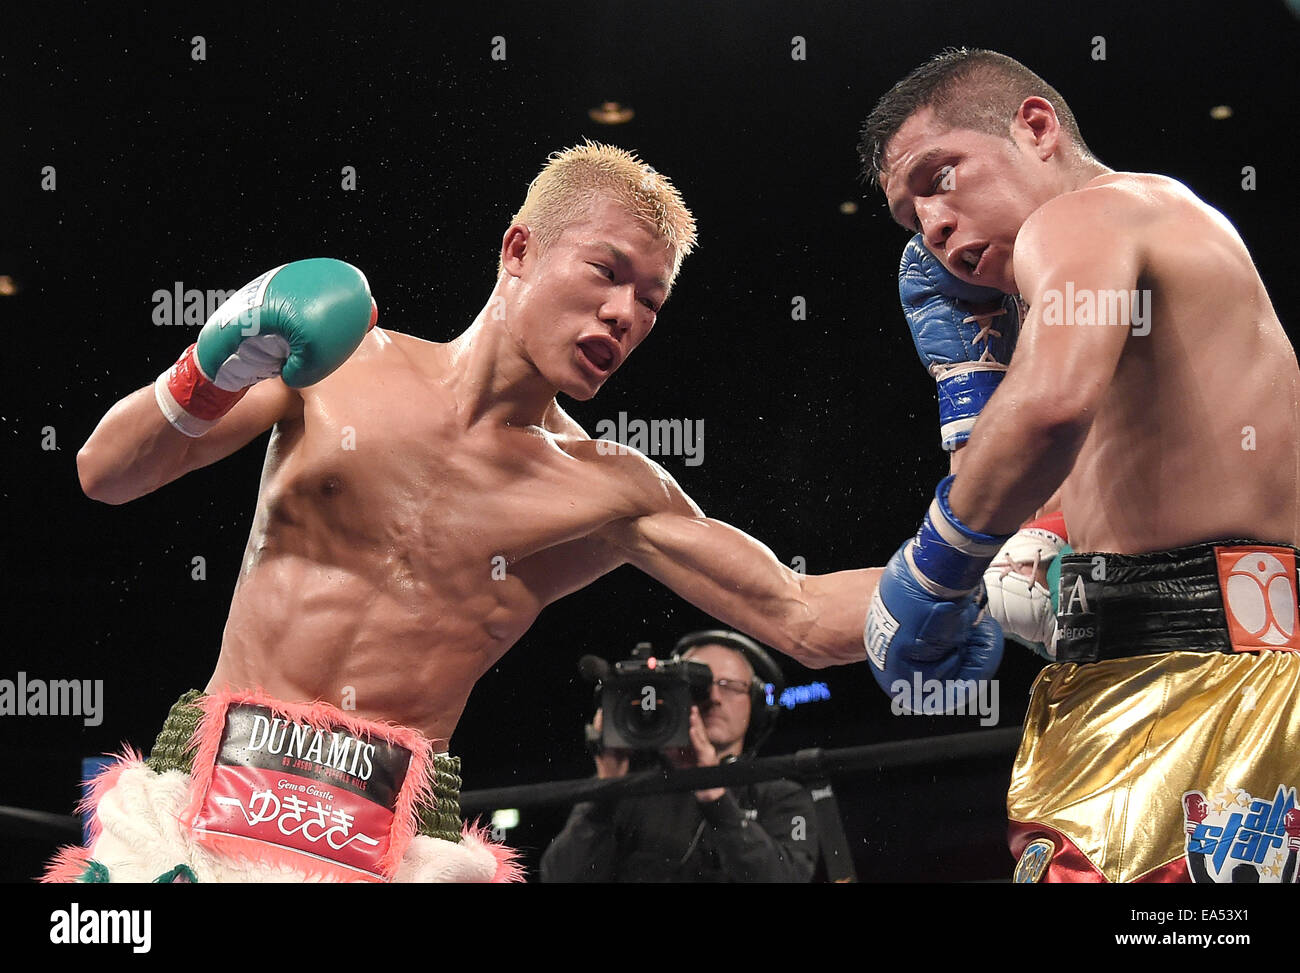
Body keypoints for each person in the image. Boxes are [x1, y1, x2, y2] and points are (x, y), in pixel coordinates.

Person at [52, 141, 880, 883]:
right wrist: (210, 363)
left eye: (652, 300)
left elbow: (801, 617)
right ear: (518, 249)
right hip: (206, 813)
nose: (626, 314)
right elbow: (106, 473)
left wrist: (985, 550)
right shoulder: (340, 365)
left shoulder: (607, 490)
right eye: (607, 270)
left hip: (388, 850)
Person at [857, 48, 1299, 883]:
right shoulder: (1133, 259)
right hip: (1178, 678)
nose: (933, 226)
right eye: (912, 219)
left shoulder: (1093, 211)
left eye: (939, 176)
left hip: (1193, 693)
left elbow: (1048, 412)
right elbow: (1076, 467)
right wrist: (975, 402)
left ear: (1035, 127)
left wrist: (936, 568)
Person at [540, 630, 817, 882]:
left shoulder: (783, 796)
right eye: (700, 685)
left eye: (730, 685)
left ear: (756, 705)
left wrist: (716, 799)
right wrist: (604, 792)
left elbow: (787, 878)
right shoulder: (628, 789)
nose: (715, 697)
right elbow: (559, 877)